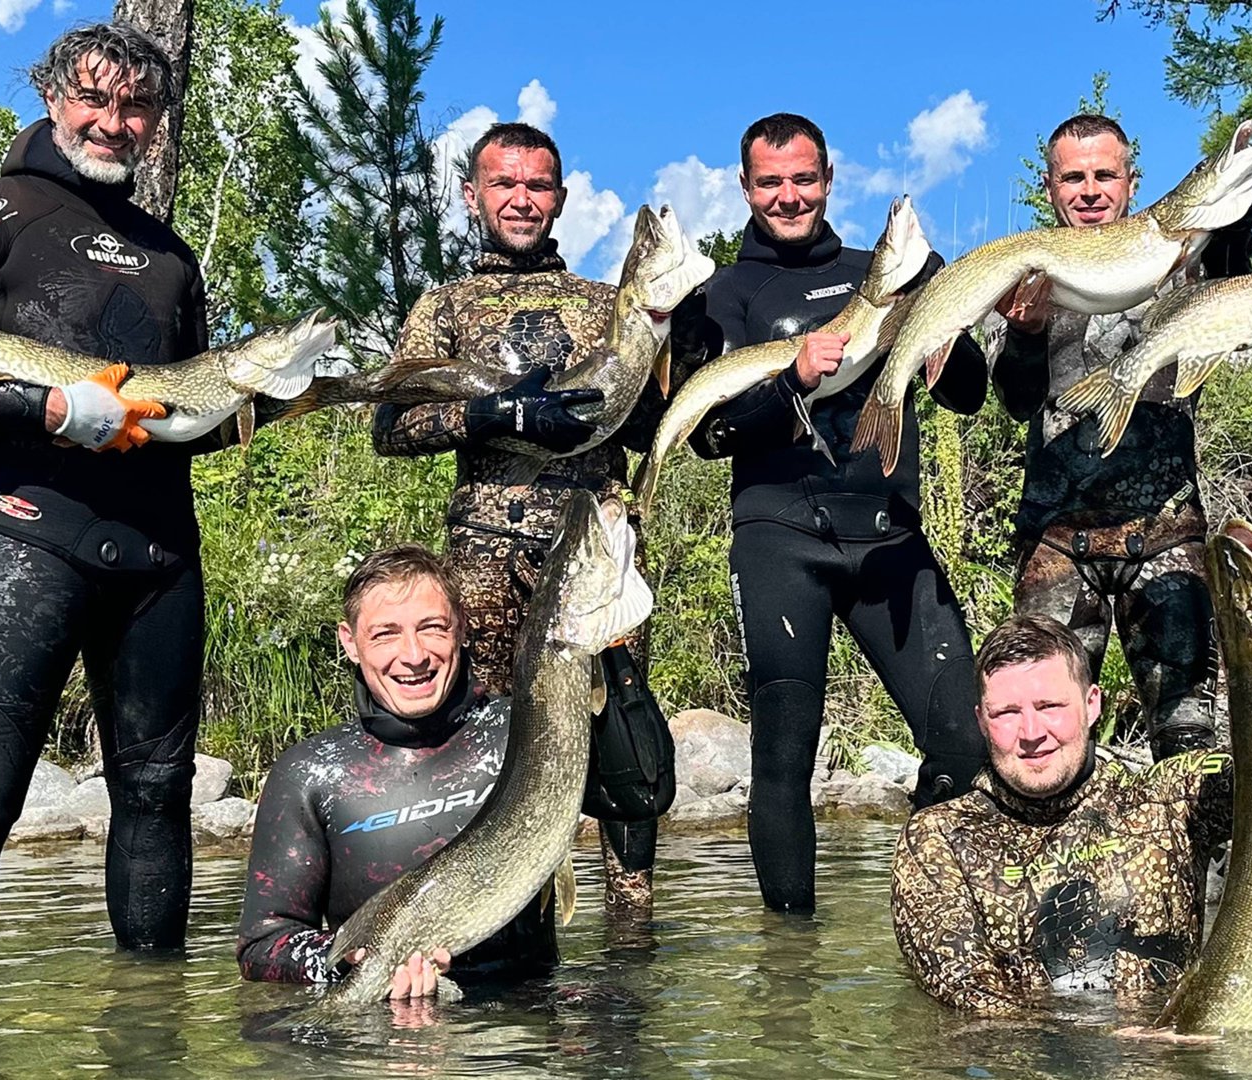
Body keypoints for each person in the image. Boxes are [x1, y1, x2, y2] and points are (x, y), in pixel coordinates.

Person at [0, 24, 217, 981]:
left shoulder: (171, 255)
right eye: (94, 99)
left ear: (157, 120)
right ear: (55, 96)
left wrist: (277, 399)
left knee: (158, 797)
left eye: (136, 106)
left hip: (160, 557)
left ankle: (151, 1032)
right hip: (32, 540)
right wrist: (49, 408)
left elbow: (190, 414)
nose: (114, 122)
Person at [685, 112, 989, 913]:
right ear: (746, 187)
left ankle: (927, 913)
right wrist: (791, 377)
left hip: (889, 539)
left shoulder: (881, 273)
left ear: (828, 179)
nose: (789, 196)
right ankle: (790, 963)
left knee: (966, 741)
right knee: (783, 761)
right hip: (779, 539)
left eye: (803, 179)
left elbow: (969, 394)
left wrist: (940, 325)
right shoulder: (727, 293)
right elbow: (710, 436)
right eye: (771, 182)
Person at [370, 122, 660, 912]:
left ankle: (633, 933)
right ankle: (505, 926)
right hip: (486, 561)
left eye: (537, 185)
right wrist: (494, 415)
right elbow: (390, 427)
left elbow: (648, 424)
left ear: (559, 197)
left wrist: (677, 353)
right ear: (473, 195)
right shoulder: (445, 307)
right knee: (492, 744)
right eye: (504, 184)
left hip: (600, 559)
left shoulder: (608, 305)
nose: (521, 199)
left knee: (623, 737)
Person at [991, 113, 1252, 761]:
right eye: (1073, 178)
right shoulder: (1026, 271)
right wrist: (1026, 333)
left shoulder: (1180, 257)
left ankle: (1190, 834)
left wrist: (1238, 209)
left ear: (1131, 182)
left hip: (1167, 537)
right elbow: (1014, 400)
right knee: (1043, 739)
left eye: (1104, 175)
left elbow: (1233, 277)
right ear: (1051, 188)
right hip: (1056, 543)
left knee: (1188, 739)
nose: (1089, 190)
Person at [236, 546, 547, 993]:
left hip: (529, 1004)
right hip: (379, 1020)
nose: (414, 654)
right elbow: (262, 946)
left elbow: (637, 798)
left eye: (432, 628)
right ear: (350, 642)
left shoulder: (527, 731)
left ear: (461, 627)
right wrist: (355, 963)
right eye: (386, 634)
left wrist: (612, 653)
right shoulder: (311, 772)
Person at [891, 615, 1232, 1012]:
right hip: (1029, 1053)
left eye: (1049, 706)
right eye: (1006, 713)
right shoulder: (938, 838)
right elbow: (970, 997)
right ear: (981, 720)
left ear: (1092, 704)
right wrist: (1124, 1039)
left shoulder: (1172, 798)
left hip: (1181, 1045)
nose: (1031, 732)